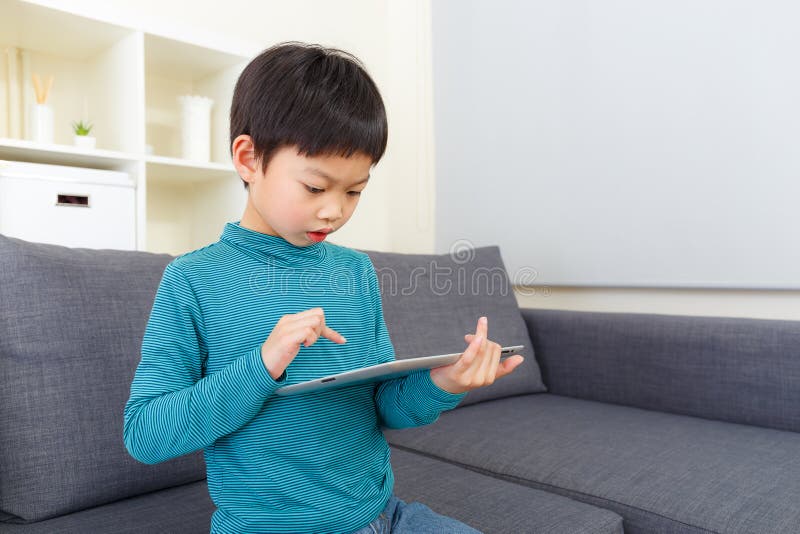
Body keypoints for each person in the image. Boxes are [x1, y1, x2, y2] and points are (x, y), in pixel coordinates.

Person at [123, 41, 524, 534]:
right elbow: (145, 435)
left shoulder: (354, 272)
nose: (335, 211)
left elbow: (383, 406)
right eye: (315, 187)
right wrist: (263, 365)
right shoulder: (193, 280)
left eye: (355, 191)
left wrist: (447, 382)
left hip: (383, 516)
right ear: (249, 159)